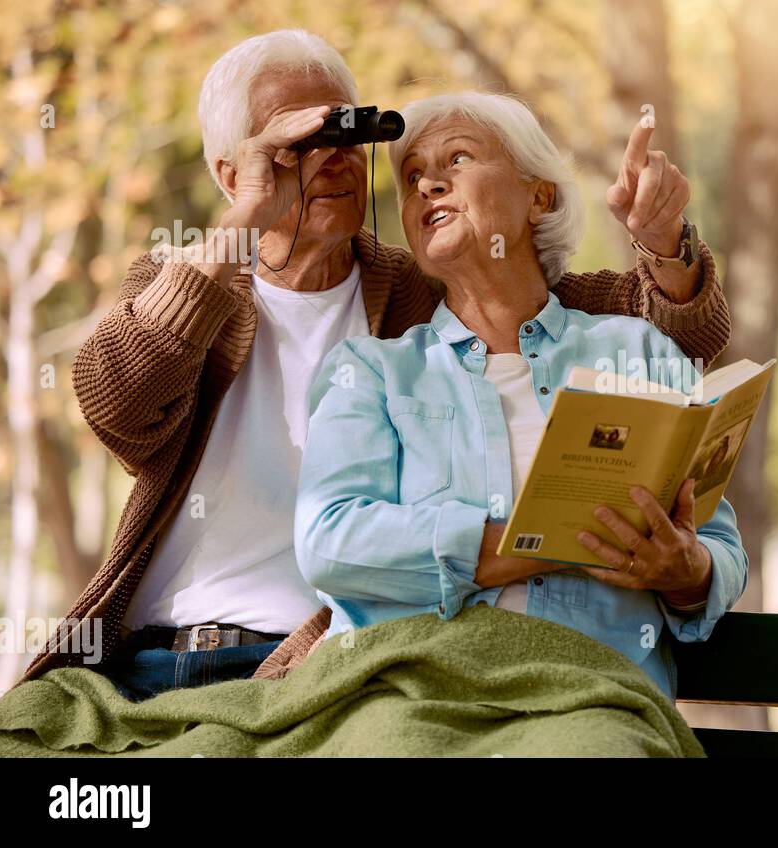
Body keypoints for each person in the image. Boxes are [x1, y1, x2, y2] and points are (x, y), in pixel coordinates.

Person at [16, 29, 731, 699]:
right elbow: (116, 404)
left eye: (347, 132)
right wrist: (245, 221)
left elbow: (658, 326)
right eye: (297, 142)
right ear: (231, 171)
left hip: (304, 666)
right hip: (153, 654)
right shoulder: (186, 284)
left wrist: (665, 246)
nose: (333, 157)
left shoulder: (426, 288)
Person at [294, 92, 748, 698]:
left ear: (539, 195)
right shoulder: (372, 371)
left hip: (593, 691)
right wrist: (538, 544)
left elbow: (720, 549)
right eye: (411, 177)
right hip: (414, 692)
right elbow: (331, 542)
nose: (428, 183)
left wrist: (687, 572)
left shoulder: (634, 353)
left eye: (457, 159)